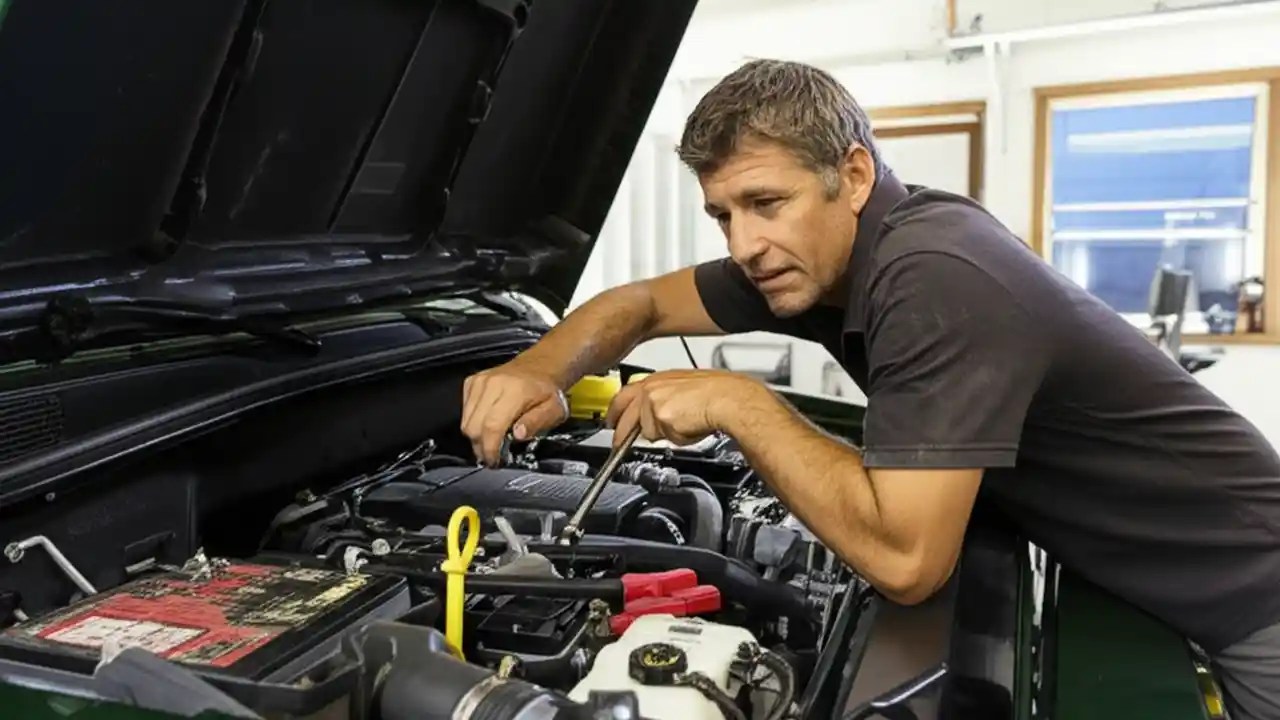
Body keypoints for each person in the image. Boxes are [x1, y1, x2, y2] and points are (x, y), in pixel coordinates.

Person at [459, 59, 1280, 718]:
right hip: (1145, 576)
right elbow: (636, 304)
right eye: (722, 216)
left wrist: (741, 404)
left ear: (852, 175)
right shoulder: (810, 259)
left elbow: (908, 562)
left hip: (1248, 594)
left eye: (765, 203)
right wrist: (539, 369)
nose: (744, 243)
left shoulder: (932, 278)